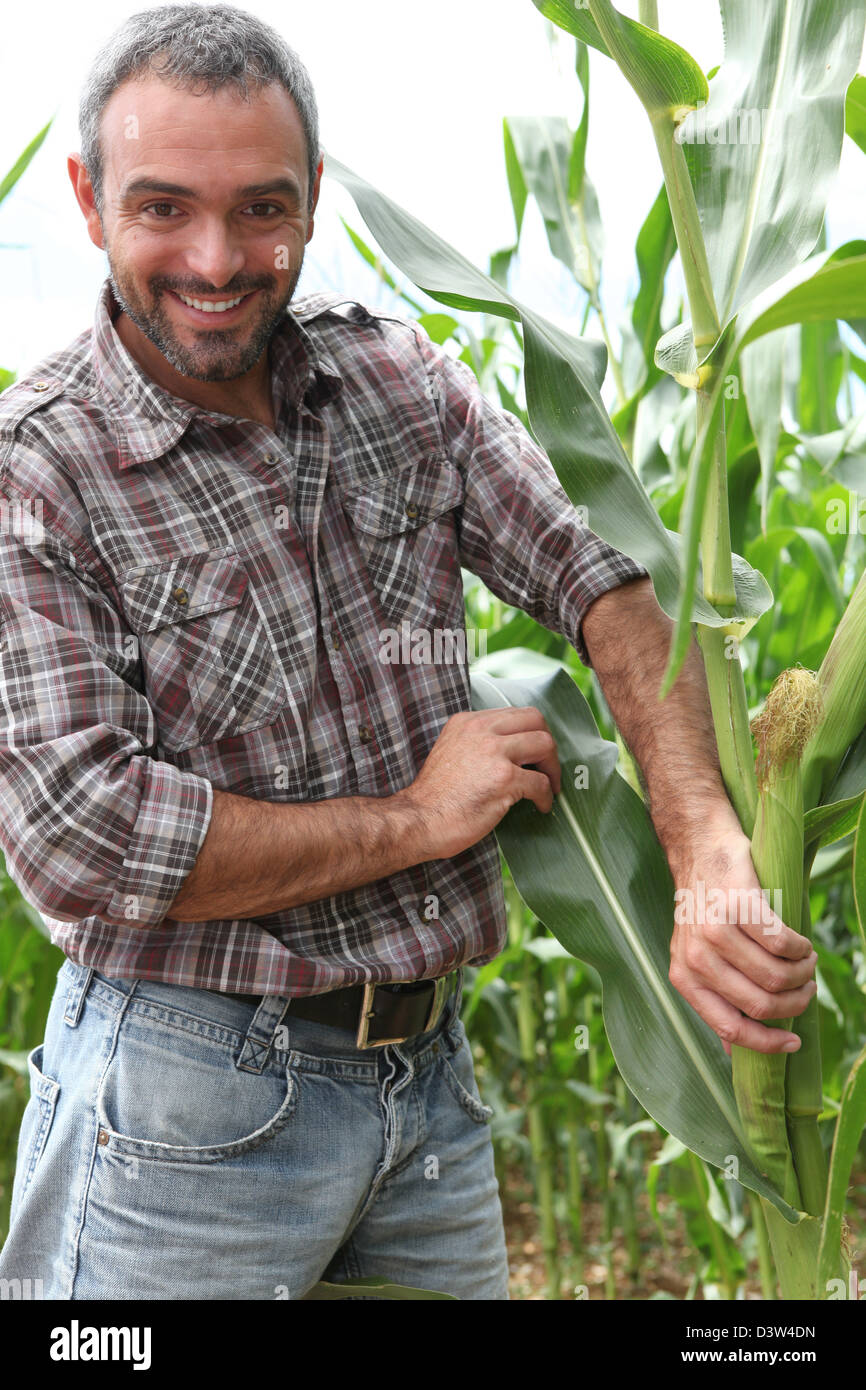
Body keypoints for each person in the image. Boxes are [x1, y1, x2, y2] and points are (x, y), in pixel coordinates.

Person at [0, 4, 817, 1301]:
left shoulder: (391, 383)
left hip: (427, 1097)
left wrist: (705, 841)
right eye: (165, 209)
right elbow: (85, 835)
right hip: (184, 1108)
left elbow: (601, 579)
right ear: (89, 201)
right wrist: (415, 819)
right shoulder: (36, 472)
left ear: (312, 197)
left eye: (261, 208)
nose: (216, 258)